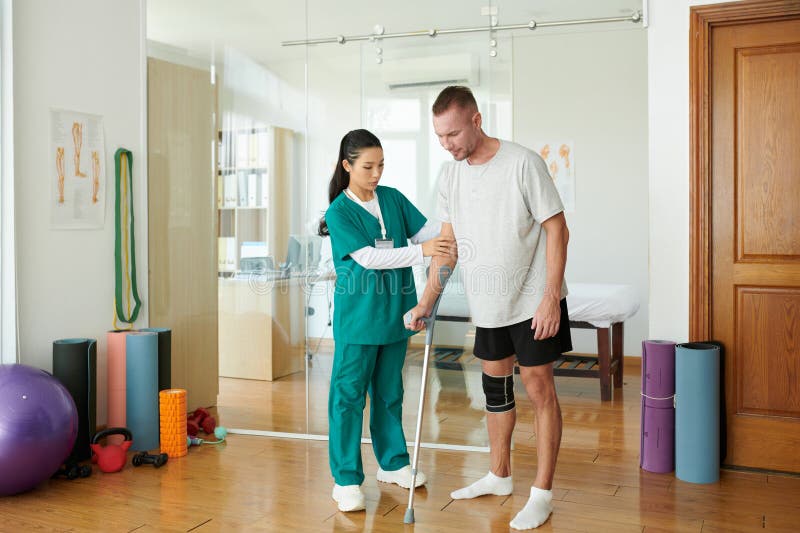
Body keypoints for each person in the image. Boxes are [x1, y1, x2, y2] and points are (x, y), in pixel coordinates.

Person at [406, 86, 571, 530]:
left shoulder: (522, 162)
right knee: (495, 391)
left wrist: (550, 297)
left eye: (453, 134)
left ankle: (542, 494)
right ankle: (499, 475)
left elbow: (558, 229)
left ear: (476, 121)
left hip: (533, 299)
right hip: (489, 303)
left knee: (539, 389)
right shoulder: (450, 176)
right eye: (439, 136)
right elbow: (447, 245)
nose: (447, 144)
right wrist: (425, 302)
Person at [318, 128, 454, 512]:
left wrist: (453, 220)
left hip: (397, 315)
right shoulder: (339, 212)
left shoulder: (392, 199)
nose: (376, 173)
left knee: (390, 392)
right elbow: (368, 257)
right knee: (348, 399)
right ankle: (346, 479)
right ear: (347, 166)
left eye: (381, 165)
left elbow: (431, 233)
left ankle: (393, 463)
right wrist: (422, 250)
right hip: (359, 319)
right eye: (368, 166)